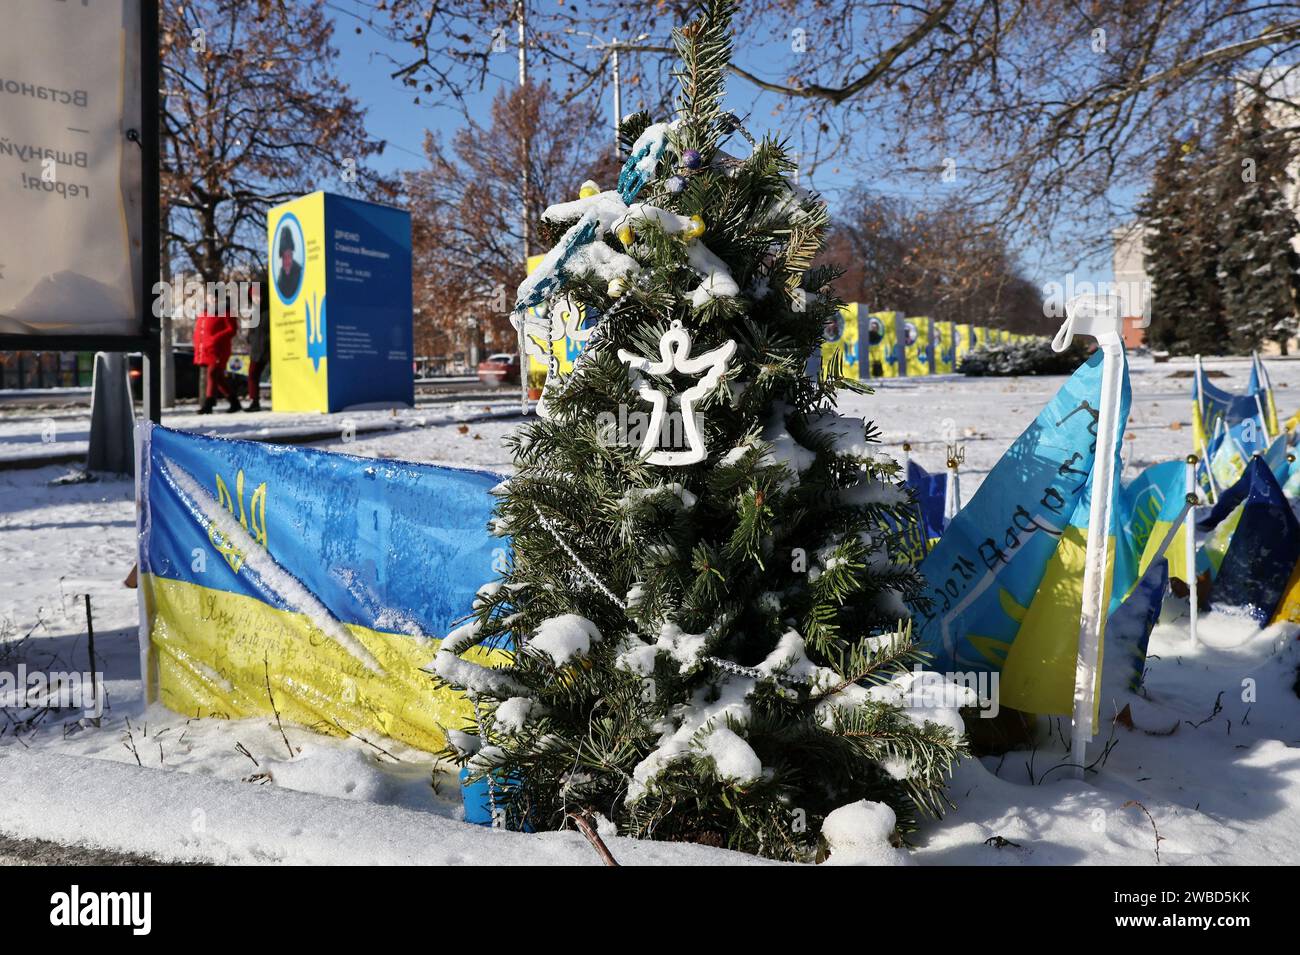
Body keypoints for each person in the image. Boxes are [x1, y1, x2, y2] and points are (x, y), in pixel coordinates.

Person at [197, 295, 241, 414]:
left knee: (212, 373)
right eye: (210, 298)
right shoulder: (206, 312)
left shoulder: (226, 311)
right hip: (207, 349)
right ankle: (234, 402)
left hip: (220, 349)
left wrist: (215, 338)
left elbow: (232, 329)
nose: (212, 300)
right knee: (218, 378)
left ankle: (209, 403)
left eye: (215, 298)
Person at [245, 270, 271, 412]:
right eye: (252, 296)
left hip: (270, 348)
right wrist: (250, 340)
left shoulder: (270, 310)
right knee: (252, 375)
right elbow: (251, 331)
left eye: (258, 295)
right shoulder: (254, 313)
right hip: (257, 349)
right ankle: (254, 401)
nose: (256, 298)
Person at [275, 225, 302, 300]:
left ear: (292, 255)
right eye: (284, 257)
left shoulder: (299, 273)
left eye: (289, 255)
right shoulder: (281, 277)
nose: (287, 261)